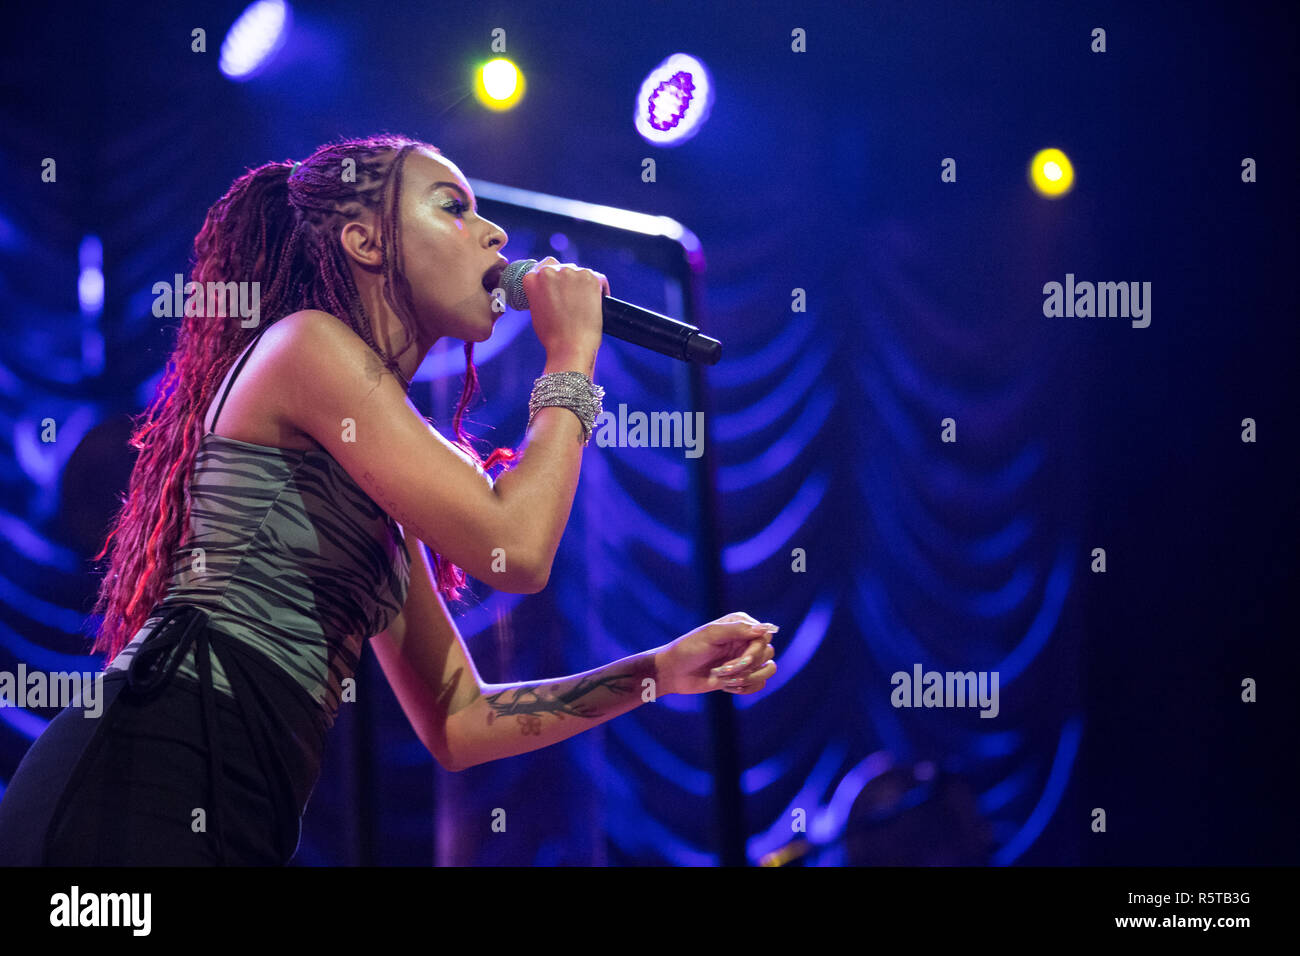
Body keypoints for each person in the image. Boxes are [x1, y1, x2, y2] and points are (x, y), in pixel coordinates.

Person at [0, 135, 777, 866]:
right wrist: (572, 354)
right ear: (366, 242)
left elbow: (461, 721)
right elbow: (519, 547)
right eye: (453, 206)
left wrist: (658, 671)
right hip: (146, 770)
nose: (494, 233)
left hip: (238, 794)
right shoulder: (306, 343)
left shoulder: (374, 476)